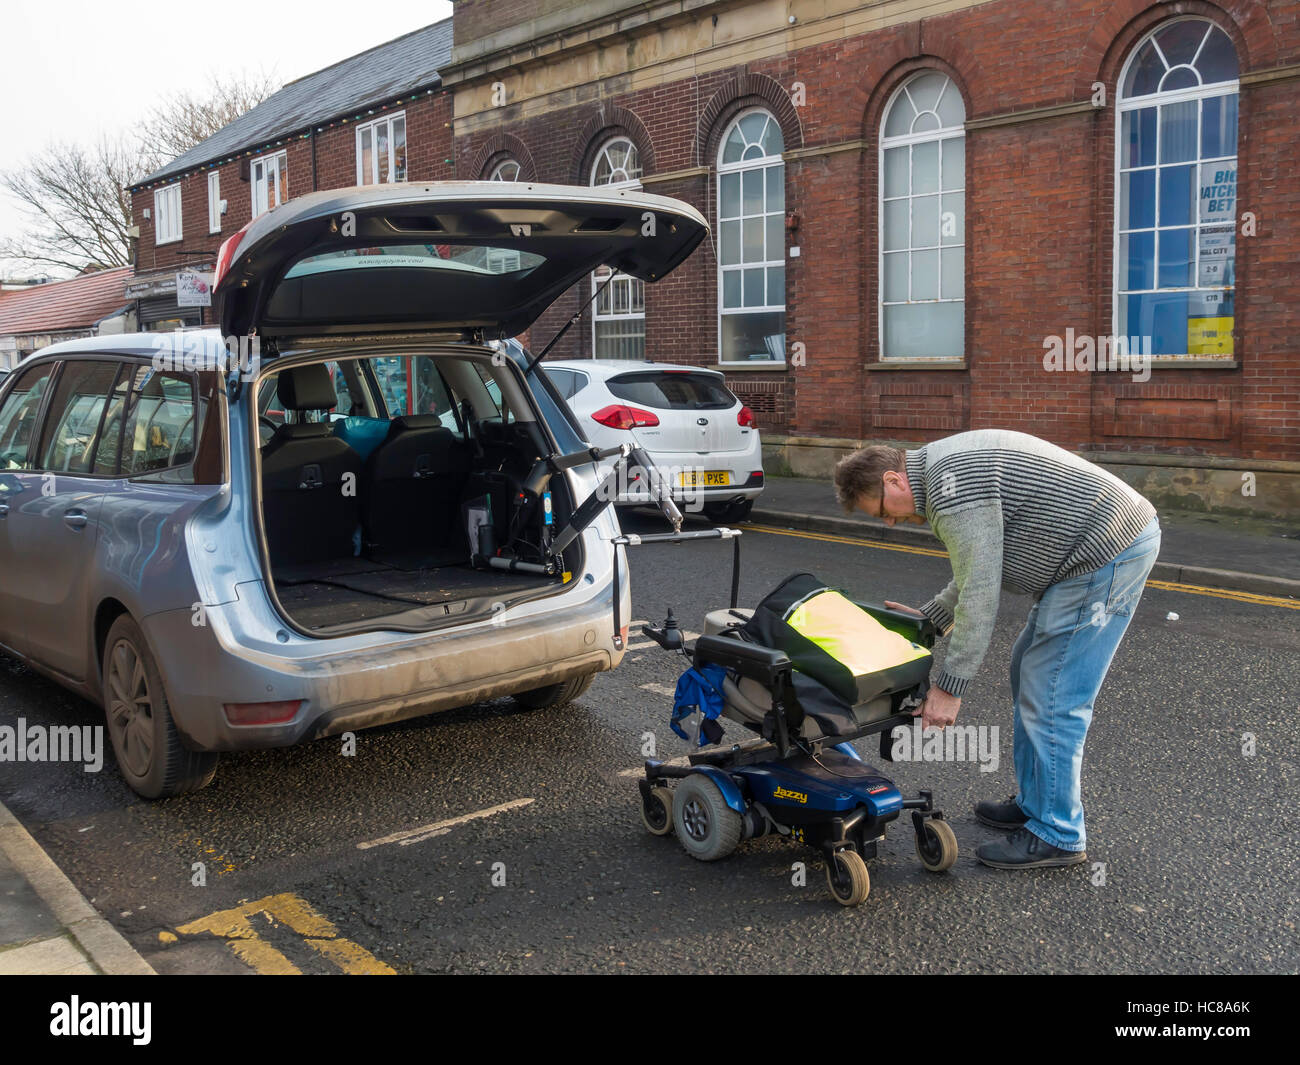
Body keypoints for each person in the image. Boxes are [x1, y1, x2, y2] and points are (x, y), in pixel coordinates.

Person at [833, 429, 1161, 870]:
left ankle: (1059, 832)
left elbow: (981, 595)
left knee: (1053, 696)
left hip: (1103, 552)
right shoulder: (942, 475)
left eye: (882, 512)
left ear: (894, 481)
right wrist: (928, 623)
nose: (889, 522)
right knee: (1029, 674)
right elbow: (978, 569)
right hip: (1094, 551)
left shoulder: (951, 494)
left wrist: (949, 688)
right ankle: (1037, 804)